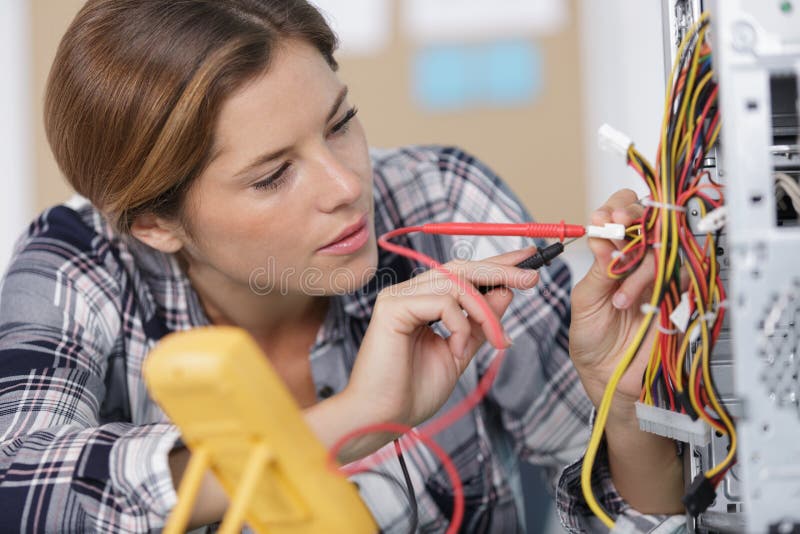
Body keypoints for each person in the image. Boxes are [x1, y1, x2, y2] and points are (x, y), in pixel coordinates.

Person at [0, 1, 684, 532]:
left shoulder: (443, 199)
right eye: (272, 176)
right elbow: (16, 484)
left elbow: (634, 513)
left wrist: (624, 409)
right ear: (154, 223)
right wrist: (360, 417)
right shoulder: (80, 262)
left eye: (340, 122)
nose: (346, 185)